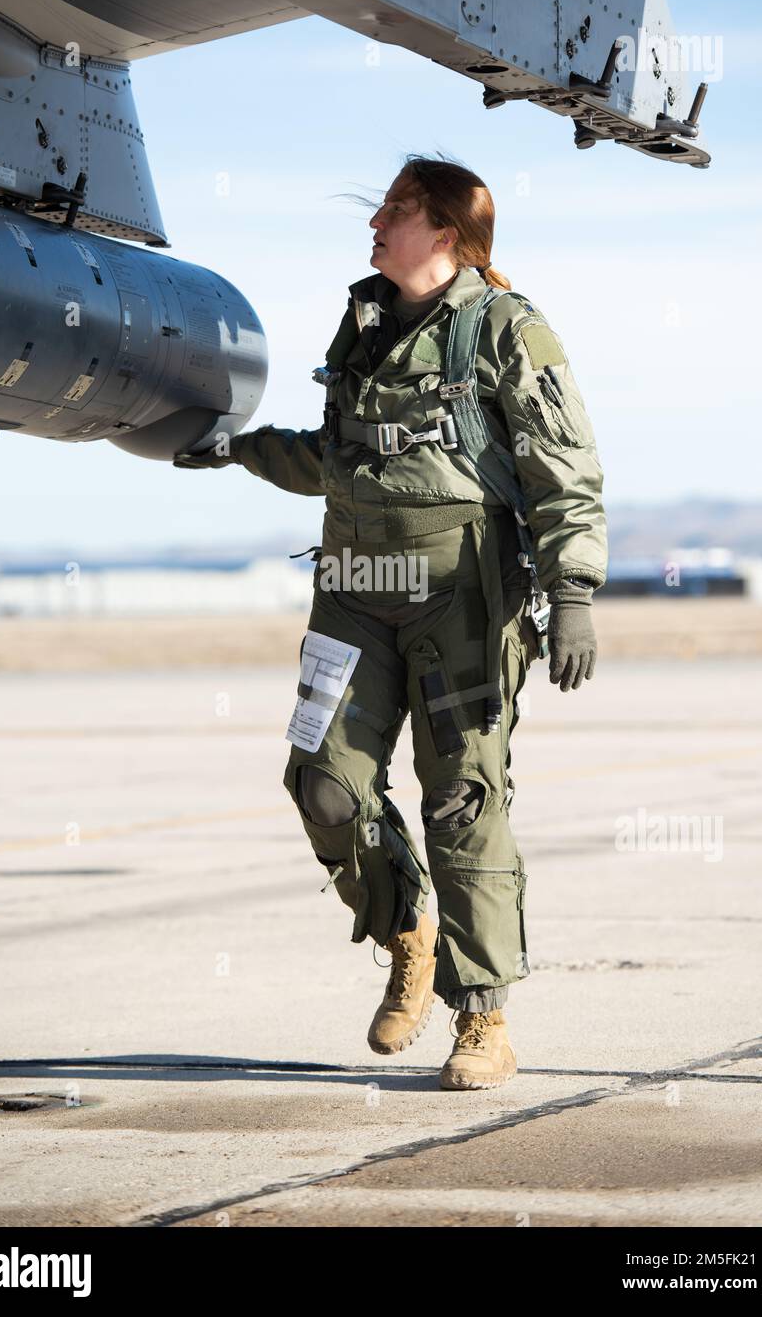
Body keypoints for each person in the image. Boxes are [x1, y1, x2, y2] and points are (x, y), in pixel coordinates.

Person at [175, 154, 607, 1090]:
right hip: (353, 590)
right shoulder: (365, 319)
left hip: (461, 598)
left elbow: (562, 470)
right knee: (324, 786)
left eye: (395, 213)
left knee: (459, 802)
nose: (375, 227)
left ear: (447, 231)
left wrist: (571, 591)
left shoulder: (507, 331)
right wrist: (240, 450)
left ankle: (482, 1017)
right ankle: (403, 928)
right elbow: (341, 460)